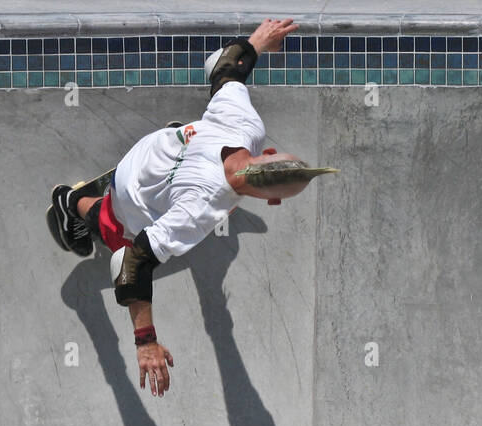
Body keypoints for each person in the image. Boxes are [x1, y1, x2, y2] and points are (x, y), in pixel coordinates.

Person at [48, 17, 336, 396]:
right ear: (273, 198)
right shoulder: (202, 208)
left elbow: (225, 65)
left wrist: (260, 41)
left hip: (161, 147)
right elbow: (130, 263)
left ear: (267, 153)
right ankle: (72, 202)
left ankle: (185, 145)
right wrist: (145, 342)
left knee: (207, 159)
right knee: (115, 231)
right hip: (131, 194)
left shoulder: (245, 123)